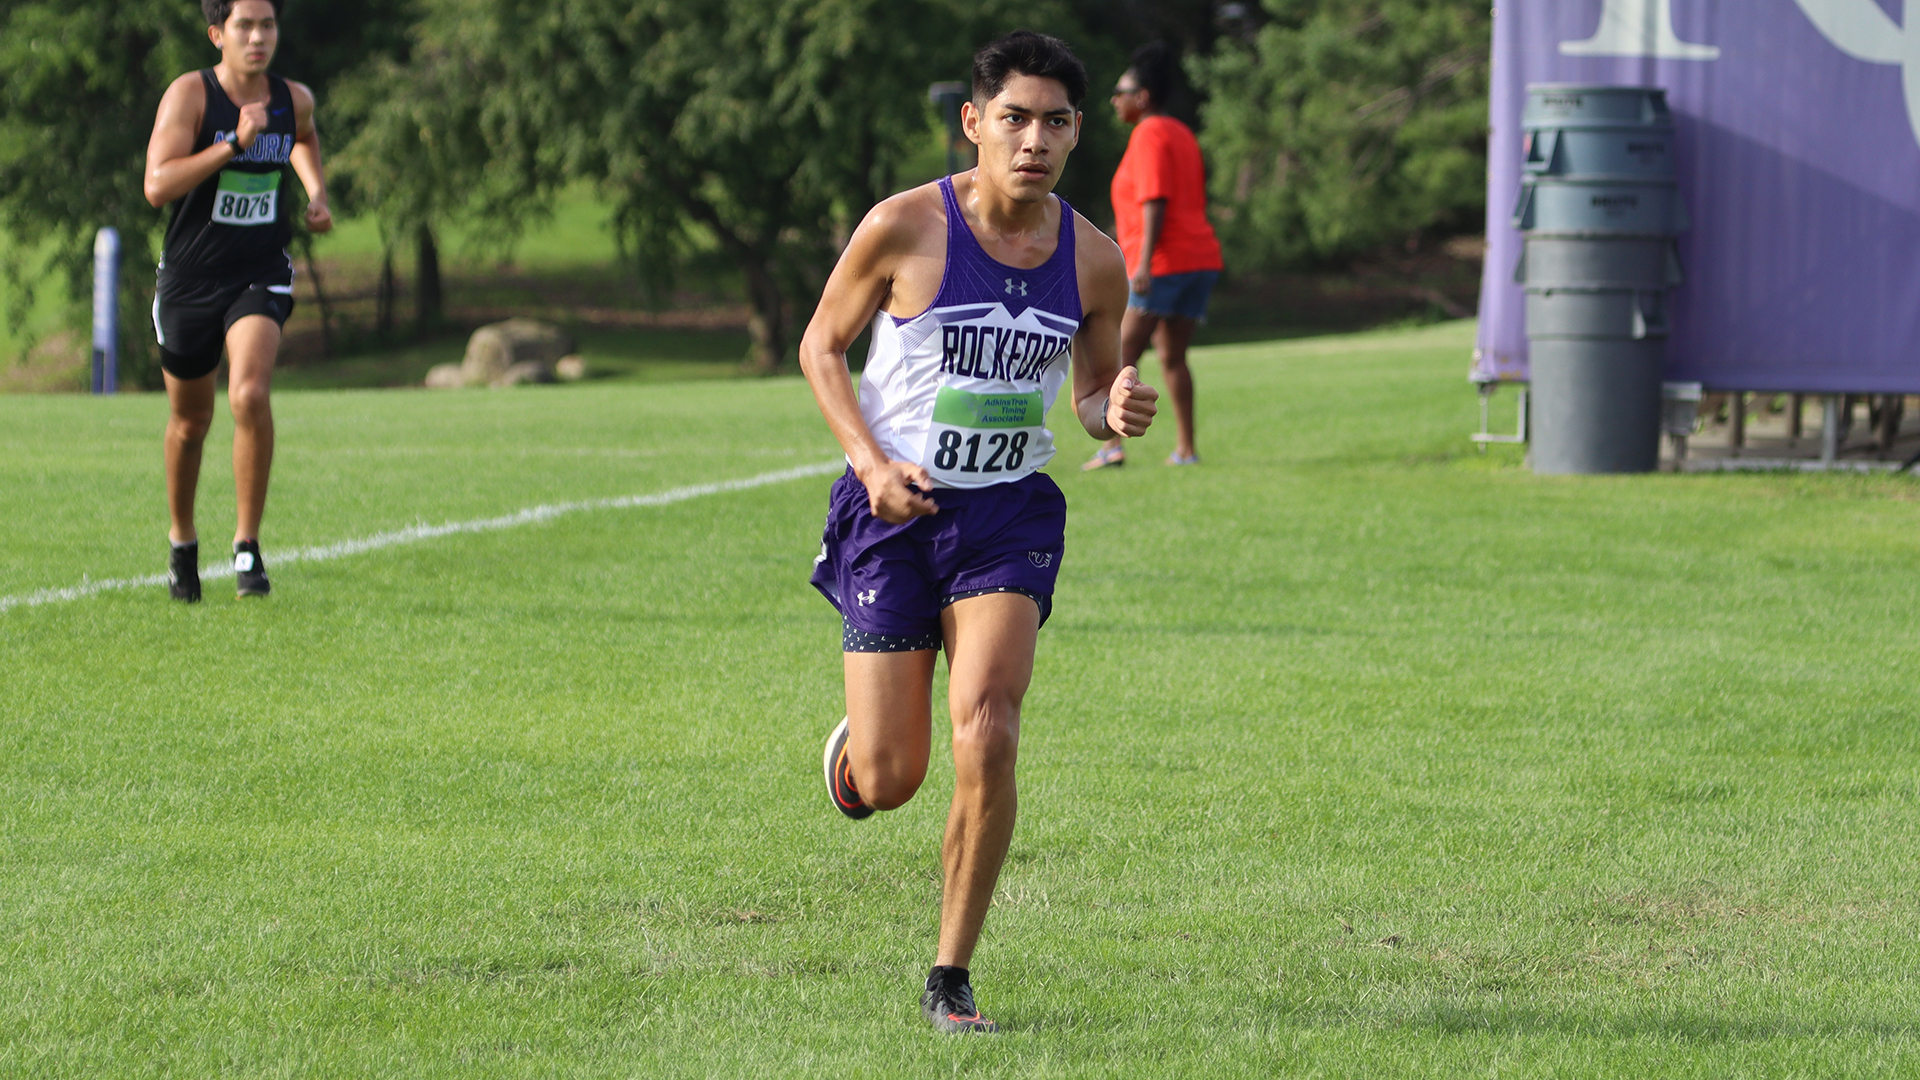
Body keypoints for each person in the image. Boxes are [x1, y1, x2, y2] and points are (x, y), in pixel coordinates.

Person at [798, 31, 1156, 1034]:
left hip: (1006, 515)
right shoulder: (904, 226)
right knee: (895, 777)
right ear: (974, 121)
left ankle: (950, 978)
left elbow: (1090, 396)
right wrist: (872, 466)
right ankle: (861, 758)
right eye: (1015, 118)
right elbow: (821, 346)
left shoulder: (1095, 260)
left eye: (1055, 122)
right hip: (895, 509)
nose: (1034, 139)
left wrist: (1115, 409)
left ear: (1077, 133)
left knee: (990, 726)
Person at [143, 0, 331, 602]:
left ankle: (247, 544)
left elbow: (303, 135)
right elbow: (156, 186)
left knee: (249, 394)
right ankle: (182, 542)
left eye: (267, 24)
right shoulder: (190, 95)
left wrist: (316, 190)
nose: (258, 37)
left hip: (259, 270)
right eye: (244, 26)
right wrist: (232, 145)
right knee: (190, 423)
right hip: (189, 281)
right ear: (216, 34)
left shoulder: (293, 98)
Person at [1083, 42, 1222, 470]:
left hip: (1162, 263)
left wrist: (1141, 263)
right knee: (1172, 356)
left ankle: (1111, 445)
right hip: (1198, 258)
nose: (1114, 100)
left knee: (1117, 357)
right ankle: (1186, 450)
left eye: (1120, 92)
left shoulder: (1148, 133)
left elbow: (1155, 200)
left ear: (1142, 97)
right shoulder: (1181, 132)